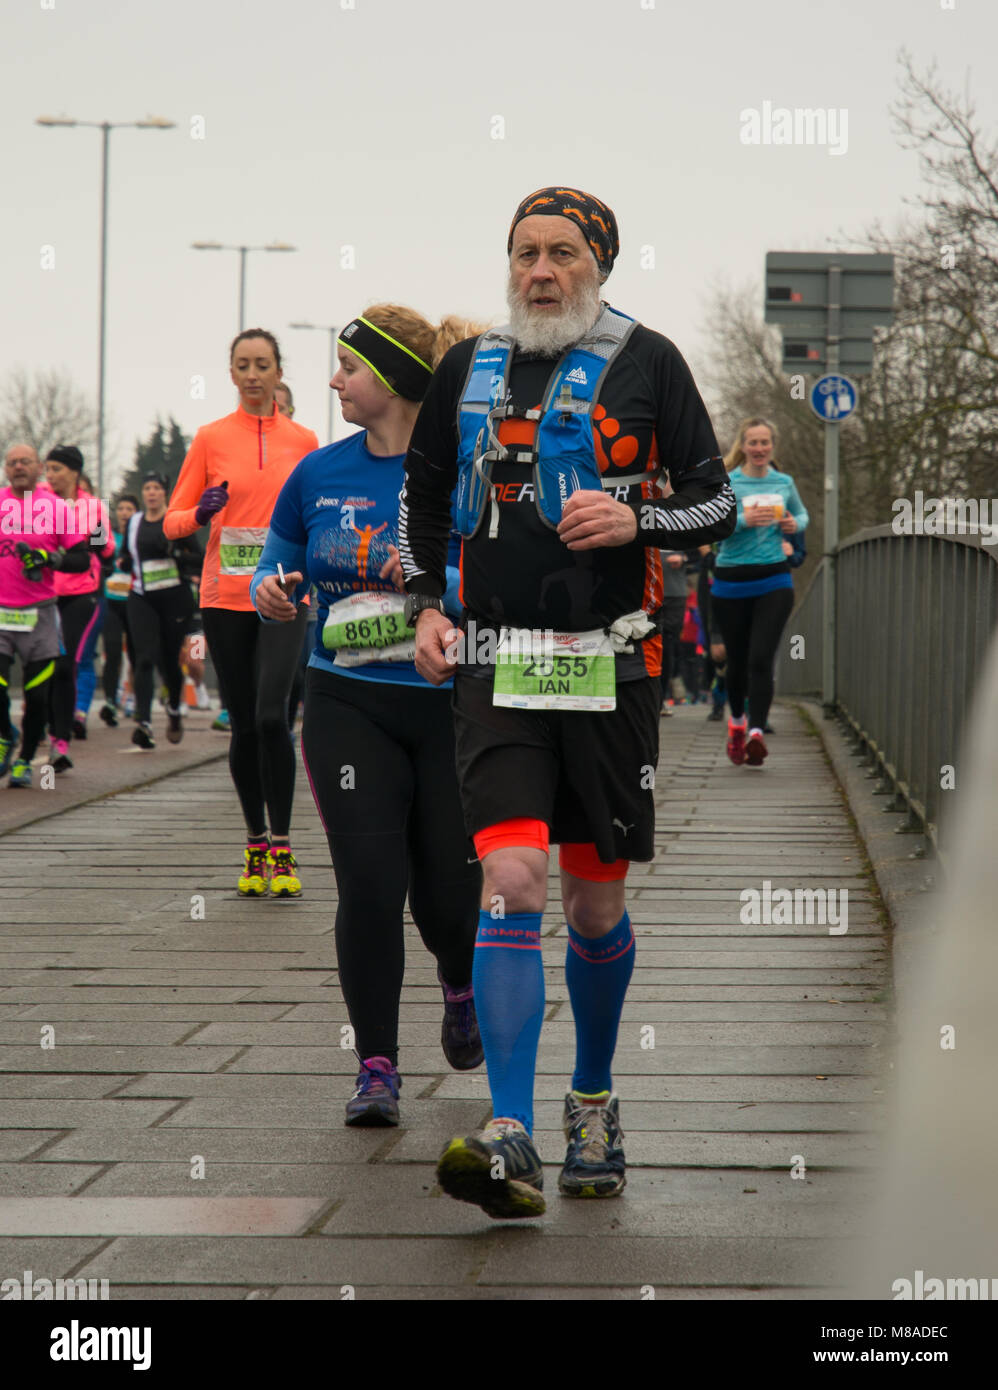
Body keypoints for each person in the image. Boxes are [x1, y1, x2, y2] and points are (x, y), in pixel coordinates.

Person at [399, 186, 736, 1218]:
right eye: (523, 253)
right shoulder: (466, 370)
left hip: (611, 669)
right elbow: (421, 502)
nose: (538, 271)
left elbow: (716, 502)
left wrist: (636, 518)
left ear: (598, 264)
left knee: (593, 903)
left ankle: (590, 1093)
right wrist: (422, 605)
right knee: (509, 879)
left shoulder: (651, 363)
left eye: (560, 254)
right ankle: (509, 1130)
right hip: (495, 666)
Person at [252, 304, 485, 1125]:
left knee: (450, 905)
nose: (332, 380)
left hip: (448, 705)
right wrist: (273, 592)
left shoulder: (462, 474)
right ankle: (377, 1067)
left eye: (348, 367)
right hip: (346, 699)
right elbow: (274, 565)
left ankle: (460, 982)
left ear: (390, 380)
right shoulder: (317, 472)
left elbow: (499, 582)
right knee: (370, 887)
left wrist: (436, 589)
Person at [164, 329, 318, 894]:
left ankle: (283, 847)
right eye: (243, 365)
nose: (253, 375)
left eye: (263, 365)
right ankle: (255, 845)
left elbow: (315, 518)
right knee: (246, 724)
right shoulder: (209, 438)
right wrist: (201, 512)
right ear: (231, 374)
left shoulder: (305, 440)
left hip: (283, 593)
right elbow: (172, 522)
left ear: (279, 373)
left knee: (275, 716)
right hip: (225, 598)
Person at [710, 417, 809, 766]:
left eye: (765, 442)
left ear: (772, 446)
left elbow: (802, 515)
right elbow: (713, 528)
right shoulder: (728, 483)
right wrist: (741, 521)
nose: (759, 448)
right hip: (731, 580)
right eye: (753, 442)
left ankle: (755, 732)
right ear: (744, 446)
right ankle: (736, 723)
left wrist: (794, 524)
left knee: (761, 659)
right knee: (736, 662)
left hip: (774, 579)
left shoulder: (784, 482)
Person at [0, 444, 91, 788]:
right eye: (12, 462)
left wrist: (49, 559)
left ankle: (26, 758)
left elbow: (88, 554)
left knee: (39, 696)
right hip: (2, 612)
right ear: (6, 469)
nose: (19, 467)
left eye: (26, 462)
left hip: (48, 609)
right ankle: (5, 736)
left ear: (38, 468)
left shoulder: (69, 507)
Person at [43, 446, 115, 772]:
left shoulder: (94, 507)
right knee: (41, 664)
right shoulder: (37, 502)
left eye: (56, 468)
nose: (50, 475)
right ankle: (42, 725)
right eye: (47, 469)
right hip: (41, 592)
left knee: (65, 663)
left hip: (80, 592)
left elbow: (103, 549)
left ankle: (60, 739)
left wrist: (88, 542)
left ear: (74, 472)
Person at [120, 473, 202, 749]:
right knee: (143, 657)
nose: (151, 493)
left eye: (156, 488)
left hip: (174, 599)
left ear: (165, 493)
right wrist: (121, 562)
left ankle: (174, 710)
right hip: (142, 596)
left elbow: (200, 558)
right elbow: (125, 555)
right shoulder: (134, 523)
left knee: (169, 661)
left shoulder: (177, 521)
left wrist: (177, 554)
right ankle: (144, 723)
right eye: (147, 487)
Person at [99, 494, 138, 727]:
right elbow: (93, 556)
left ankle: (133, 698)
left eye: (129, 508)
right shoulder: (106, 533)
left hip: (135, 601)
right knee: (112, 653)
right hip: (110, 600)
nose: (124, 512)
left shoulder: (140, 534)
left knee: (136, 654)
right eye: (121, 508)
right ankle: (111, 702)